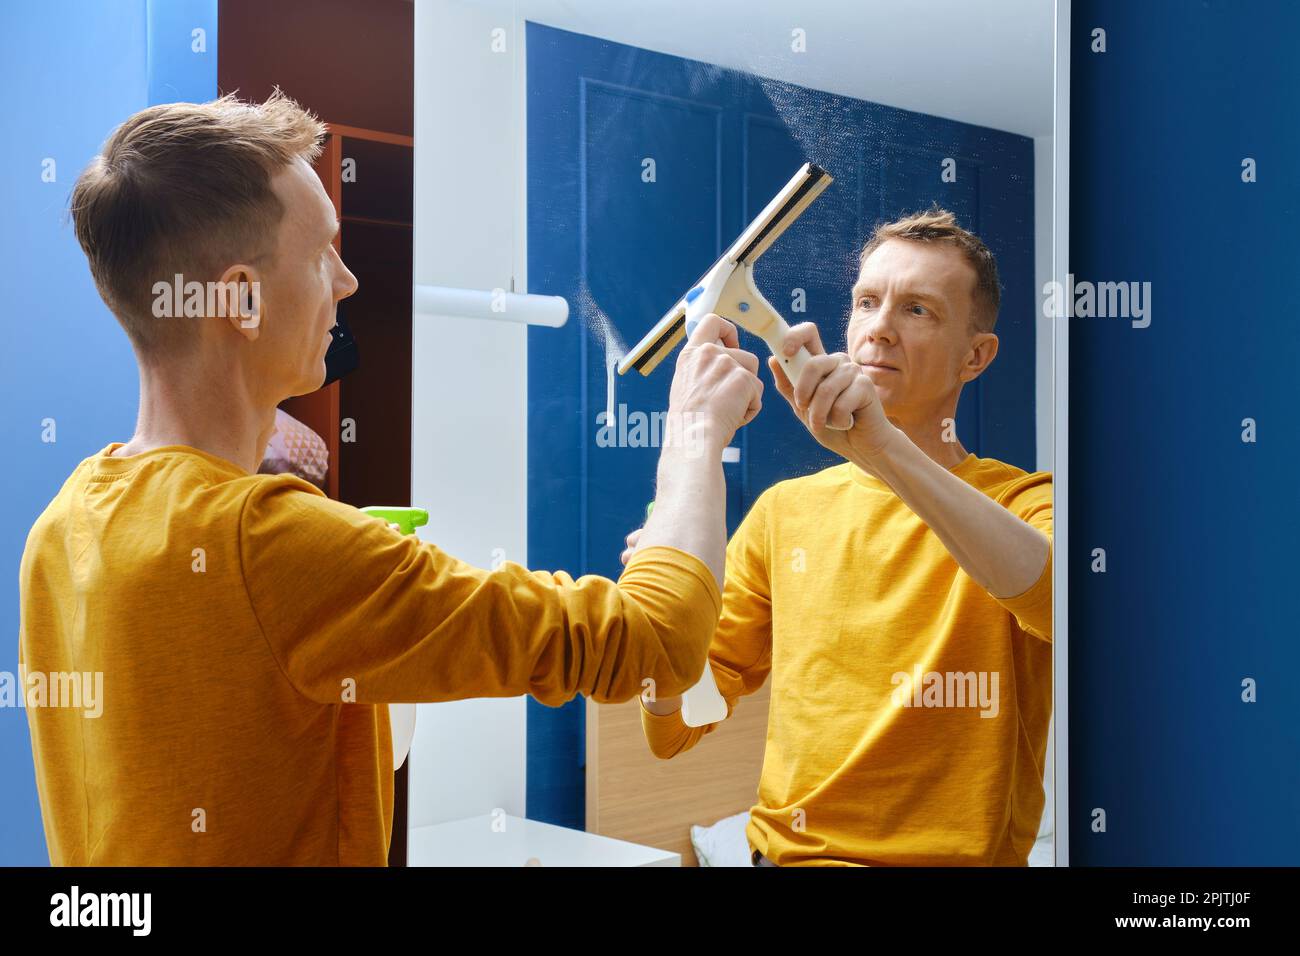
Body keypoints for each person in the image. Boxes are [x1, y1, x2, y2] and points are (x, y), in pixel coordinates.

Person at [17, 92, 762, 866]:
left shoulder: (63, 527)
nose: (346, 282)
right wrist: (695, 429)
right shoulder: (272, 542)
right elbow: (655, 643)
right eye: (321, 256)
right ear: (238, 297)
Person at [624, 208, 1053, 866]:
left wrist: (880, 447)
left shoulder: (1024, 503)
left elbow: (1057, 598)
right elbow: (680, 726)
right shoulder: (782, 514)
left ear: (976, 355)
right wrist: (659, 615)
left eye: (918, 310)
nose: (879, 327)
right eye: (866, 301)